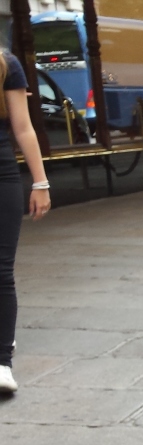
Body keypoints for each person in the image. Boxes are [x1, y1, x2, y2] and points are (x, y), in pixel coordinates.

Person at [0, 50, 52, 393]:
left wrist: (40, 182)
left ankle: (2, 361)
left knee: (1, 271)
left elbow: (23, 127)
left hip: (1, 176)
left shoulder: (5, 63)